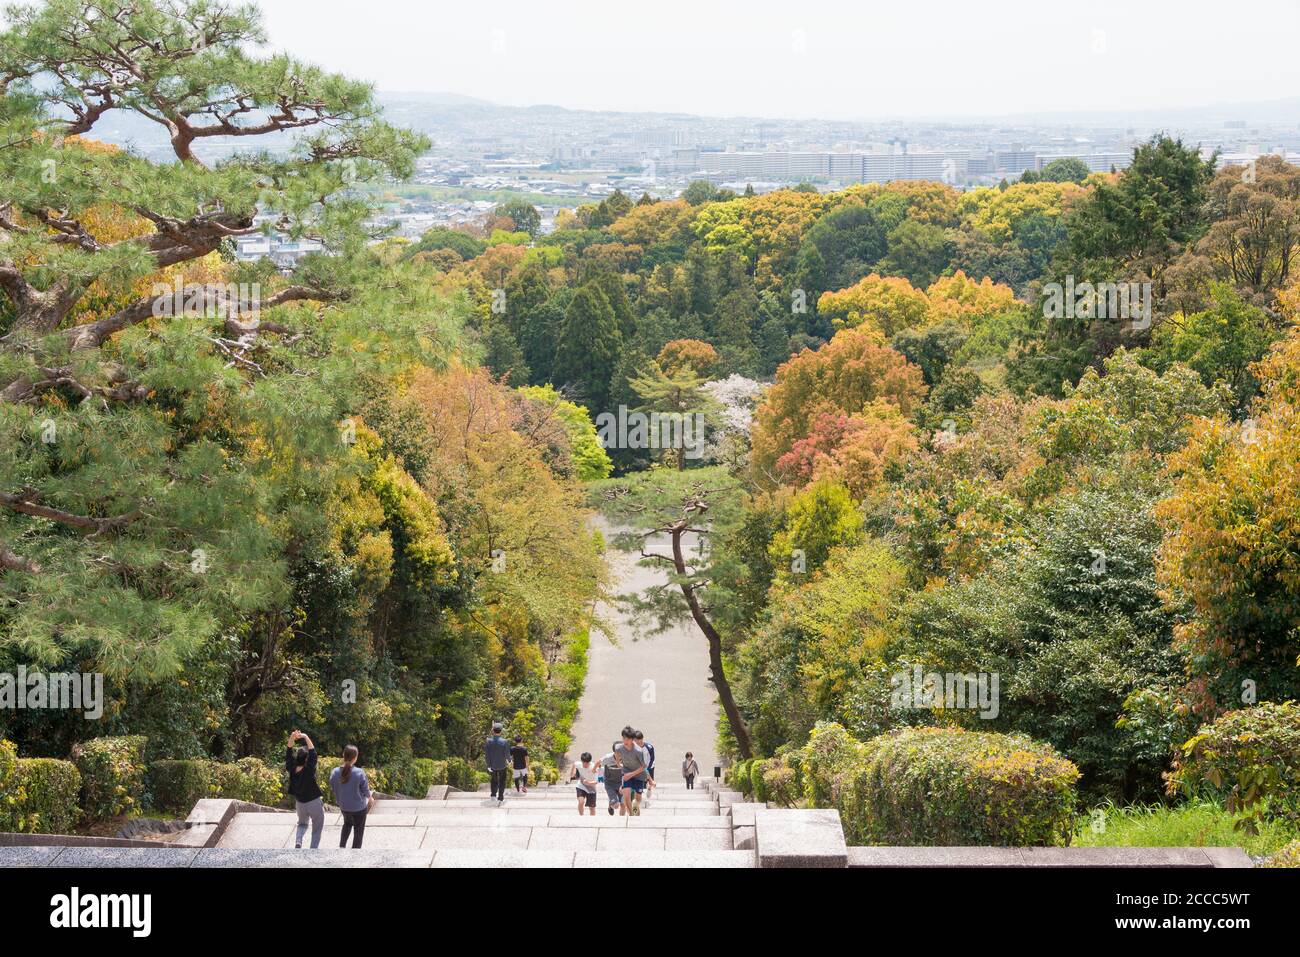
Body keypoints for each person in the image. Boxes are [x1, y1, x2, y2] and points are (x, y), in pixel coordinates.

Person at [328, 744, 374, 849]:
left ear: (343, 755)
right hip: (359, 807)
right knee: (358, 830)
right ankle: (355, 853)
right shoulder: (359, 772)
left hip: (344, 806)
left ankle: (342, 846)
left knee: (347, 824)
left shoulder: (334, 772)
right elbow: (365, 790)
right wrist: (370, 798)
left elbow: (333, 787)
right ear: (355, 758)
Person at [285, 730, 323, 848]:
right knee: (317, 827)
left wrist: (292, 736)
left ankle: (298, 841)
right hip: (314, 803)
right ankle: (313, 849)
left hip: (300, 803)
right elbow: (313, 752)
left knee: (302, 824)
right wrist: (305, 736)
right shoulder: (309, 769)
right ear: (307, 759)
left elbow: (288, 751)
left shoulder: (291, 767)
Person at [615, 726, 650, 816]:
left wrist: (630, 774)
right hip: (627, 773)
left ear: (632, 739)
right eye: (623, 738)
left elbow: (643, 766)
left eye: (627, 739)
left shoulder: (638, 751)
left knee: (637, 799)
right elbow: (616, 753)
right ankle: (631, 815)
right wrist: (619, 764)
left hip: (639, 774)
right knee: (626, 795)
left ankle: (635, 808)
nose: (625, 741)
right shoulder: (619, 747)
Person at [485, 722, 512, 804]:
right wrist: (510, 761)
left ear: (493, 731)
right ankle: (500, 796)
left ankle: (493, 795)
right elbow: (507, 754)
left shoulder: (488, 741)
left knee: (493, 780)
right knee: (502, 780)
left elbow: (487, 755)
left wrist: (488, 765)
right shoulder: (505, 741)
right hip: (502, 765)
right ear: (501, 731)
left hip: (492, 765)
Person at [569, 752, 599, 816]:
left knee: (592, 808)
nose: (585, 765)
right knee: (581, 802)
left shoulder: (593, 767)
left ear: (589, 762)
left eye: (587, 763)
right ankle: (581, 817)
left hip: (592, 788)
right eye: (583, 763)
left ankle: (592, 821)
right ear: (582, 761)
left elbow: (596, 781)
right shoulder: (578, 764)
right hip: (581, 786)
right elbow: (574, 764)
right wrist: (573, 771)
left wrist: (588, 782)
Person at [598, 742, 623, 816]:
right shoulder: (607, 758)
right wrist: (597, 773)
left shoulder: (627, 757)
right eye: (617, 752)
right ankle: (611, 805)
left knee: (623, 804)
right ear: (614, 752)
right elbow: (598, 763)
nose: (620, 753)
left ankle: (622, 821)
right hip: (610, 783)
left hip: (621, 783)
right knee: (616, 805)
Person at [635, 730, 656, 807]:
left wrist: (647, 767)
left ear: (642, 739)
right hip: (640, 768)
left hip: (650, 767)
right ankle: (640, 797)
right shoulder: (634, 748)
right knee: (641, 784)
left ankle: (649, 789)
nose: (638, 742)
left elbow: (652, 758)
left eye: (639, 740)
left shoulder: (649, 747)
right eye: (636, 740)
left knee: (650, 783)